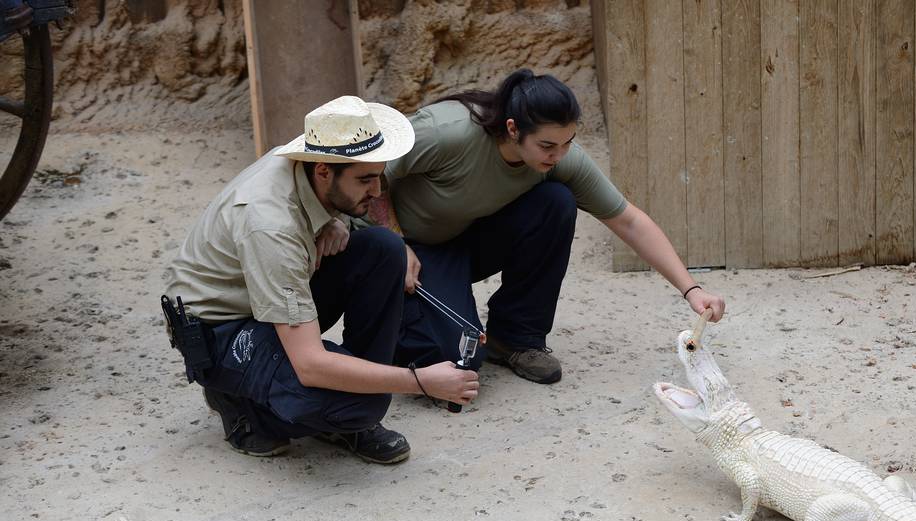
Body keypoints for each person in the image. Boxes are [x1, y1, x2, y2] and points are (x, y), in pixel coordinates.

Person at [163, 96, 479, 463]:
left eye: (379, 176)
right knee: (363, 405)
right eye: (365, 180)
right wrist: (419, 380)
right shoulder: (271, 226)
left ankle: (349, 400)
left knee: (383, 247)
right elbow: (310, 364)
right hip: (219, 330)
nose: (377, 192)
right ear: (325, 172)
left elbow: (320, 209)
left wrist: (334, 221)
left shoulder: (305, 165)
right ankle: (240, 402)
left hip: (262, 295)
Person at [375, 68, 727, 385]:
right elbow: (368, 173)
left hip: (467, 239)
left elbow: (628, 220)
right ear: (513, 129)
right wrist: (393, 241)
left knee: (556, 202)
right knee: (457, 362)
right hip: (410, 252)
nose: (558, 155)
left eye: (567, 143)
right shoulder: (447, 133)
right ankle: (388, 330)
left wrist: (691, 290)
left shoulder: (558, 157)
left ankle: (515, 336)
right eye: (547, 145)